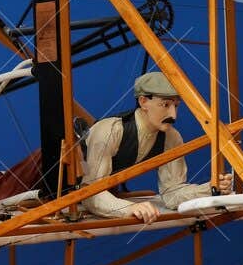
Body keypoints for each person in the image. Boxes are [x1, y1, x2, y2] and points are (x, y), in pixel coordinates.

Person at [82, 71, 234, 222]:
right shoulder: (110, 130)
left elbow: (172, 193)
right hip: (65, 194)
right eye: (165, 105)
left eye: (176, 105)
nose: (173, 115)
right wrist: (129, 209)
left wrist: (209, 189)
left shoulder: (171, 137)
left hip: (107, 196)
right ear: (143, 102)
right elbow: (89, 193)